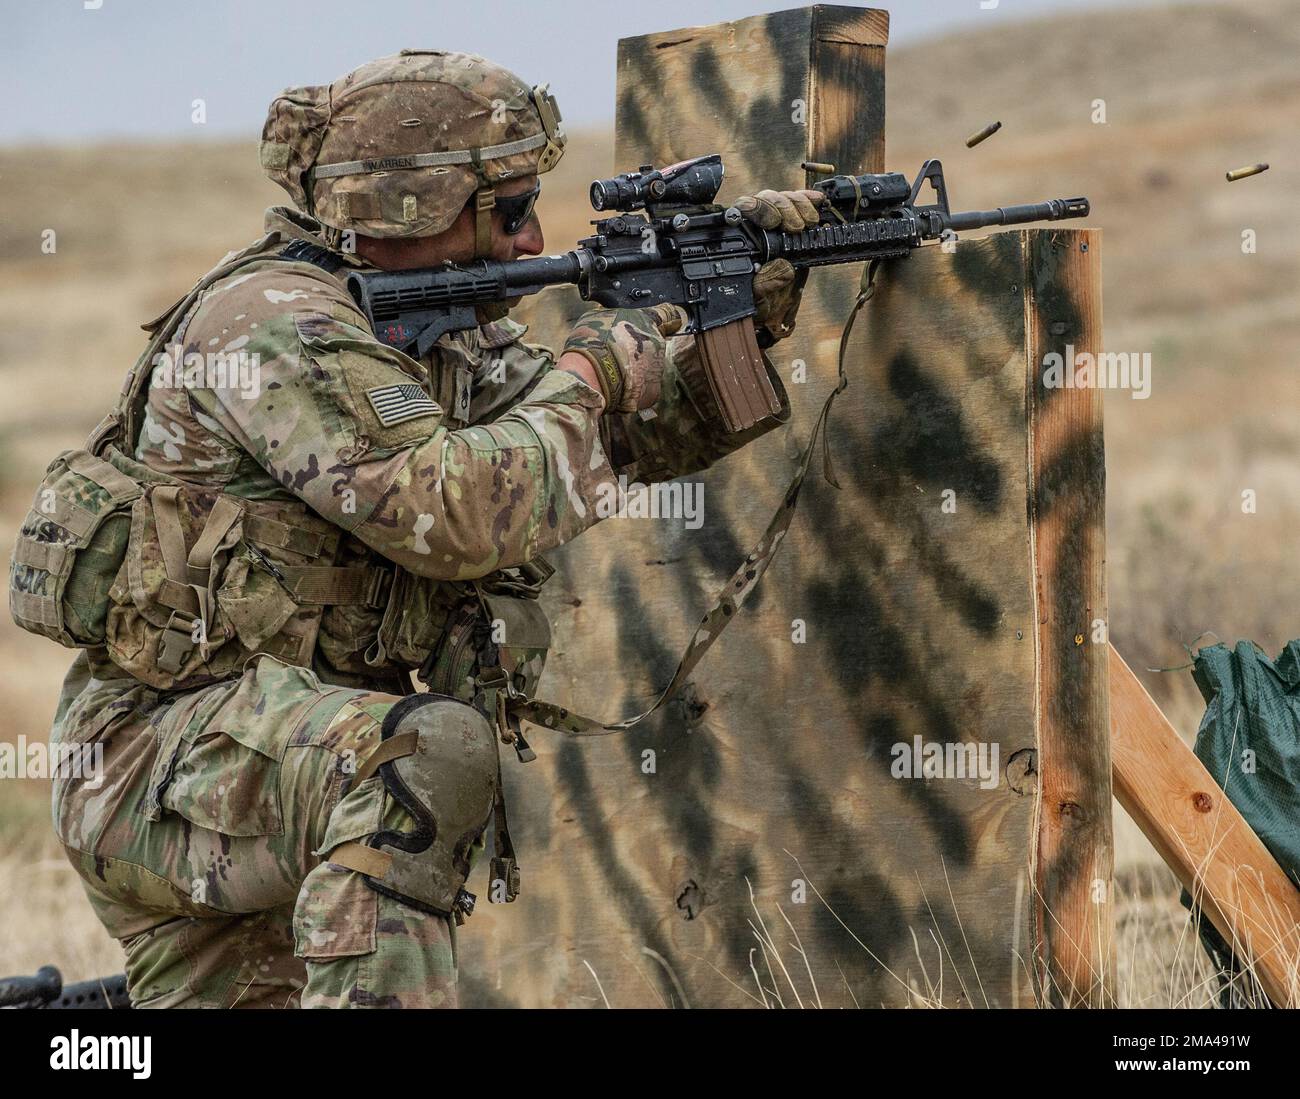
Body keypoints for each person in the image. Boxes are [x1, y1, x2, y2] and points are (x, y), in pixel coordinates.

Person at [14, 50, 823, 1007]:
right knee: (424, 755)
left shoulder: (432, 327)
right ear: (418, 207)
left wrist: (734, 321)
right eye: (512, 210)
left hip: (271, 752)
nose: (532, 243)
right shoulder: (276, 324)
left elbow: (588, 445)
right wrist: (597, 365)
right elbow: (461, 514)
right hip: (157, 758)